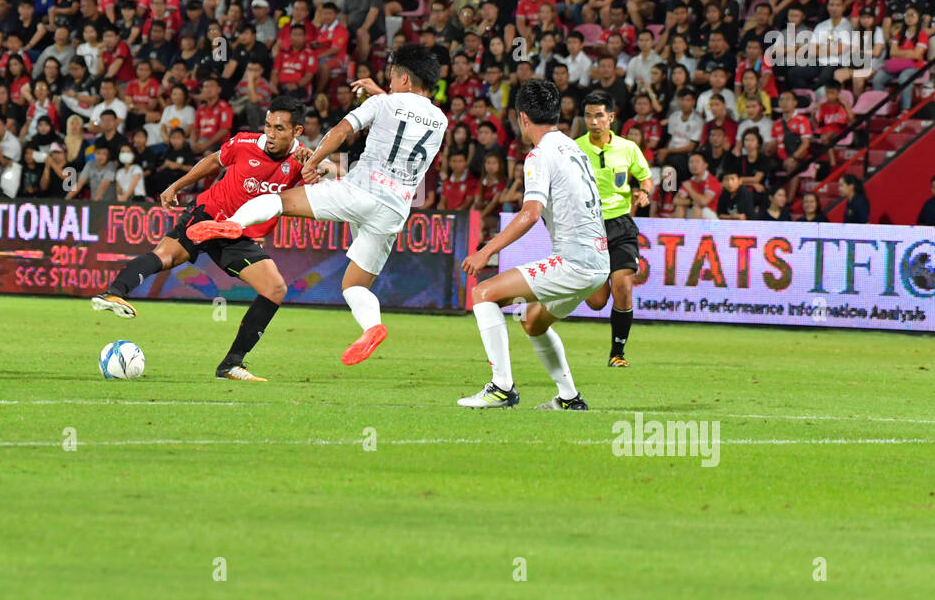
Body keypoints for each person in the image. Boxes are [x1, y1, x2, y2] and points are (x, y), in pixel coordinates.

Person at [185, 45, 446, 367]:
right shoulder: (440, 119)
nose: (389, 84)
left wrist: (315, 161)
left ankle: (235, 224)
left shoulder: (382, 102)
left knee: (277, 201)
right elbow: (407, 115)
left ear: (403, 77)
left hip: (360, 191)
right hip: (395, 209)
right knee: (354, 285)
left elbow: (341, 131)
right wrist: (382, 94)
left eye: (392, 78)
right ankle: (372, 326)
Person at [92, 97, 335, 381]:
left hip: (238, 234)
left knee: (275, 288)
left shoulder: (301, 161)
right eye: (268, 125)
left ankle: (231, 364)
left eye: (279, 129)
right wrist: (177, 185)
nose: (270, 134)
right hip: (208, 215)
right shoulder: (245, 143)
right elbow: (211, 162)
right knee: (166, 255)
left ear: (297, 131)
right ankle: (114, 292)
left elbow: (327, 181)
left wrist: (319, 166)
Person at [455, 78, 609, 410]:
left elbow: (530, 213)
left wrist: (486, 250)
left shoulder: (540, 155)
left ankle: (501, 388)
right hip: (597, 262)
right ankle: (569, 398)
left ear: (522, 118)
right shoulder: (574, 148)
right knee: (533, 321)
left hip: (574, 262)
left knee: (483, 293)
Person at [574, 91, 652, 368]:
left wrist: (643, 192)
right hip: (589, 227)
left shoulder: (628, 148)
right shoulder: (575, 148)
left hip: (620, 224)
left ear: (611, 117)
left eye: (599, 116)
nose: (594, 122)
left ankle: (617, 353)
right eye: (588, 116)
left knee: (623, 285)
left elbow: (646, 177)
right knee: (596, 302)